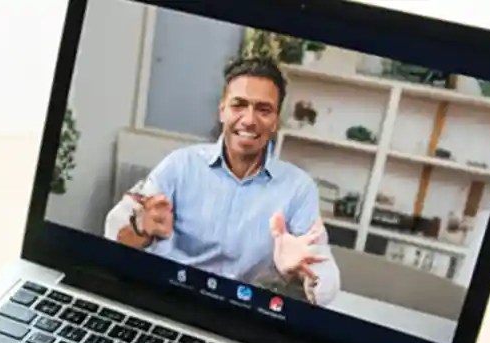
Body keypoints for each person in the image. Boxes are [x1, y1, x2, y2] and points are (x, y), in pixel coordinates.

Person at [104, 56, 340, 306]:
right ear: (222, 110)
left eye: (263, 109)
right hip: (170, 299)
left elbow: (327, 286)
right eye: (239, 105)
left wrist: (305, 271)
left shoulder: (298, 188)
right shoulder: (180, 165)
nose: (249, 119)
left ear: (276, 121)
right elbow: (114, 232)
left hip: (247, 316)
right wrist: (140, 227)